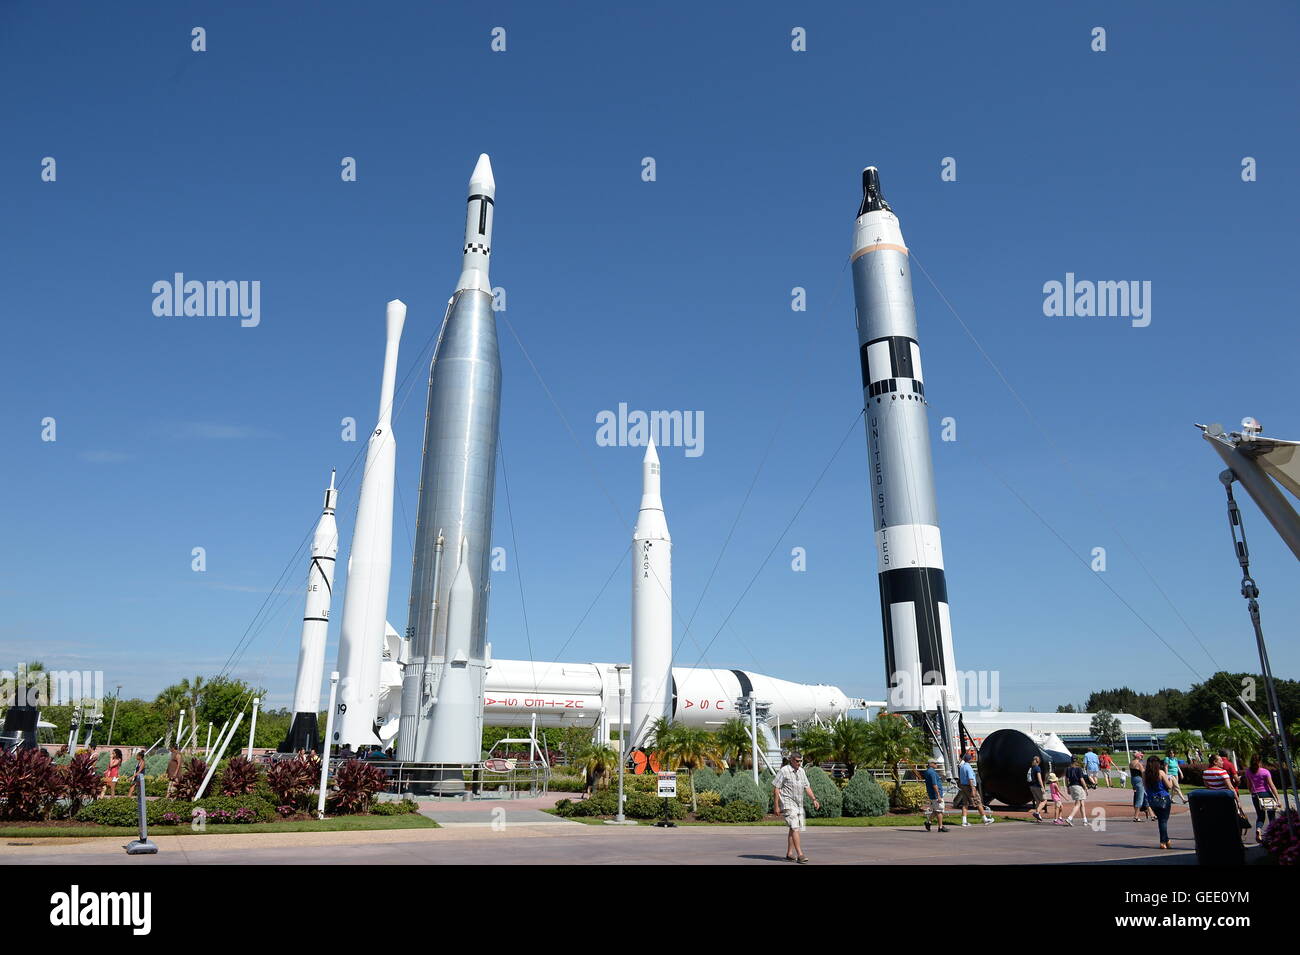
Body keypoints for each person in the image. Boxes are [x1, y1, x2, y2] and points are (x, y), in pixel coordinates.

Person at [772, 752, 820, 862]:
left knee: (792, 829)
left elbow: (806, 787)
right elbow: (776, 788)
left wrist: (814, 799)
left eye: (801, 761)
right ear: (791, 760)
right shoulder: (784, 771)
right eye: (797, 761)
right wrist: (776, 806)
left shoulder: (802, 771)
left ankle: (789, 853)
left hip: (798, 804)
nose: (799, 763)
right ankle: (800, 855)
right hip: (788, 804)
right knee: (795, 828)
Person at [1243, 755, 1281, 843]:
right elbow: (1271, 785)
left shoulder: (1248, 772)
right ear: (1260, 762)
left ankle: (1259, 829)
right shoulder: (1265, 772)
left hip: (1255, 795)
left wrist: (1251, 792)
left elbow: (1249, 785)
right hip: (1266, 794)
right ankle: (1273, 834)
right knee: (1271, 815)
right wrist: (1278, 798)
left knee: (1260, 816)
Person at [1143, 755, 1174, 850]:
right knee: (1163, 821)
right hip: (1163, 798)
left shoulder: (1144, 773)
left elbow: (1145, 787)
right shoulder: (1161, 773)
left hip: (1152, 799)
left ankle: (1167, 840)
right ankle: (1163, 842)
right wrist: (1171, 779)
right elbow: (1169, 786)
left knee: (1161, 820)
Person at [956, 753, 994, 826]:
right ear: (969, 759)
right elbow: (970, 779)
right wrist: (973, 789)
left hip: (964, 786)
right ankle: (985, 819)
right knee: (978, 802)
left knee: (965, 804)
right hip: (970, 787)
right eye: (971, 758)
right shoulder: (968, 767)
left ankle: (964, 821)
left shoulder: (962, 767)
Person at [921, 758, 948, 833]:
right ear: (930, 764)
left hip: (932, 794)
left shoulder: (927, 772)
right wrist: (938, 795)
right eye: (935, 763)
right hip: (935, 794)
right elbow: (934, 784)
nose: (936, 765)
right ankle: (940, 827)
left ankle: (928, 822)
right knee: (940, 811)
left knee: (936, 811)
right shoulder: (932, 773)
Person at [1064, 757, 1089, 825]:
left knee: (1082, 803)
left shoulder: (1068, 769)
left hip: (1072, 786)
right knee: (1078, 804)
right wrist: (1086, 787)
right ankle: (1069, 818)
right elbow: (1081, 779)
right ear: (1076, 761)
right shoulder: (1078, 769)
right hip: (1078, 787)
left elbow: (1066, 779)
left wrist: (1068, 788)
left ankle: (1085, 820)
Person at [1130, 751, 1152, 821]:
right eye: (1140, 755)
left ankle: (1152, 815)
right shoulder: (1138, 764)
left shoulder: (1131, 763)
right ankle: (1136, 817)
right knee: (1140, 798)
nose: (1141, 756)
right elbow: (1143, 774)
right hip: (1140, 781)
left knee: (1145, 796)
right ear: (1137, 756)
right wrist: (1145, 783)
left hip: (1133, 779)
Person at [1027, 755, 1048, 823]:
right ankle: (1037, 812)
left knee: (1037, 802)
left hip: (1031, 786)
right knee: (1044, 800)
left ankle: (1038, 818)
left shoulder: (1031, 768)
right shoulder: (1037, 768)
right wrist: (1042, 787)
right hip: (1037, 786)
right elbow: (1039, 778)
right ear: (1038, 761)